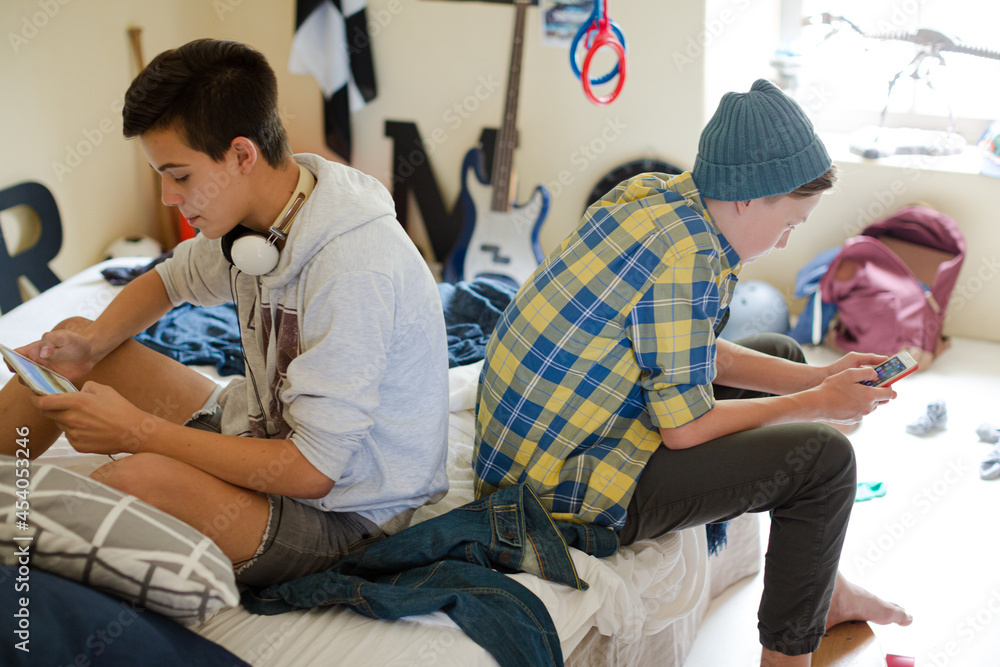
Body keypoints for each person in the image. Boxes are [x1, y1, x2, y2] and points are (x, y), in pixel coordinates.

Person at [473, 79, 911, 665]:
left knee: (781, 353)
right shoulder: (692, 260)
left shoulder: (657, 195)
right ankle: (787, 660)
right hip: (559, 497)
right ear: (748, 198)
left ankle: (823, 592)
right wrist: (819, 405)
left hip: (546, 452)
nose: (785, 243)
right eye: (790, 223)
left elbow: (699, 352)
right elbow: (685, 429)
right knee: (826, 462)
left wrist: (822, 378)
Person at [0, 39, 449, 587]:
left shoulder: (353, 267)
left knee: (137, 480)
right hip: (260, 432)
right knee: (66, 347)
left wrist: (138, 430)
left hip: (347, 513)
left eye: (179, 175)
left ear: (241, 155)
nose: (168, 197)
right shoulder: (259, 217)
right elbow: (169, 280)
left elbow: (313, 472)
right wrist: (92, 343)